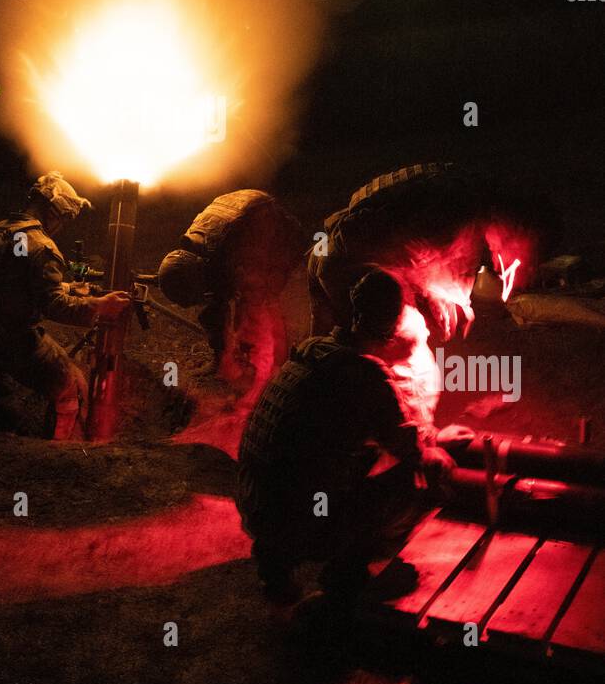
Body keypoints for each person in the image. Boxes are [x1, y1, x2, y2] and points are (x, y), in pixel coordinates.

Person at [237, 270, 451, 614]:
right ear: (394, 326)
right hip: (298, 517)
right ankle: (347, 575)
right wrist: (435, 446)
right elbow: (410, 449)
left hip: (254, 502)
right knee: (421, 478)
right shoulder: (365, 376)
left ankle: (274, 561)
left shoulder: (310, 351)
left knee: (324, 462)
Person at [0, 171, 129, 438]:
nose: (62, 226)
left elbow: (10, 284)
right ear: (53, 210)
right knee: (73, 385)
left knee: (5, 357)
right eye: (63, 219)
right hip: (9, 336)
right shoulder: (42, 247)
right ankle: (62, 450)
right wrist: (99, 305)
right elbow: (54, 306)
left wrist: (70, 288)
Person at [308, 162, 555, 340]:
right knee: (367, 344)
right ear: (512, 226)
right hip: (339, 262)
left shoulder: (465, 195)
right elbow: (409, 254)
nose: (509, 263)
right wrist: (439, 295)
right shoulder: (457, 214)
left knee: (321, 351)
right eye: (523, 251)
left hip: (332, 250)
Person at [157, 189, 306, 385]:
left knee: (261, 304)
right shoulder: (198, 245)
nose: (201, 298)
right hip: (247, 226)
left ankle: (278, 368)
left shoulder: (237, 247)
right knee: (215, 307)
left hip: (281, 239)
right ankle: (224, 362)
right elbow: (215, 299)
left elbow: (252, 292)